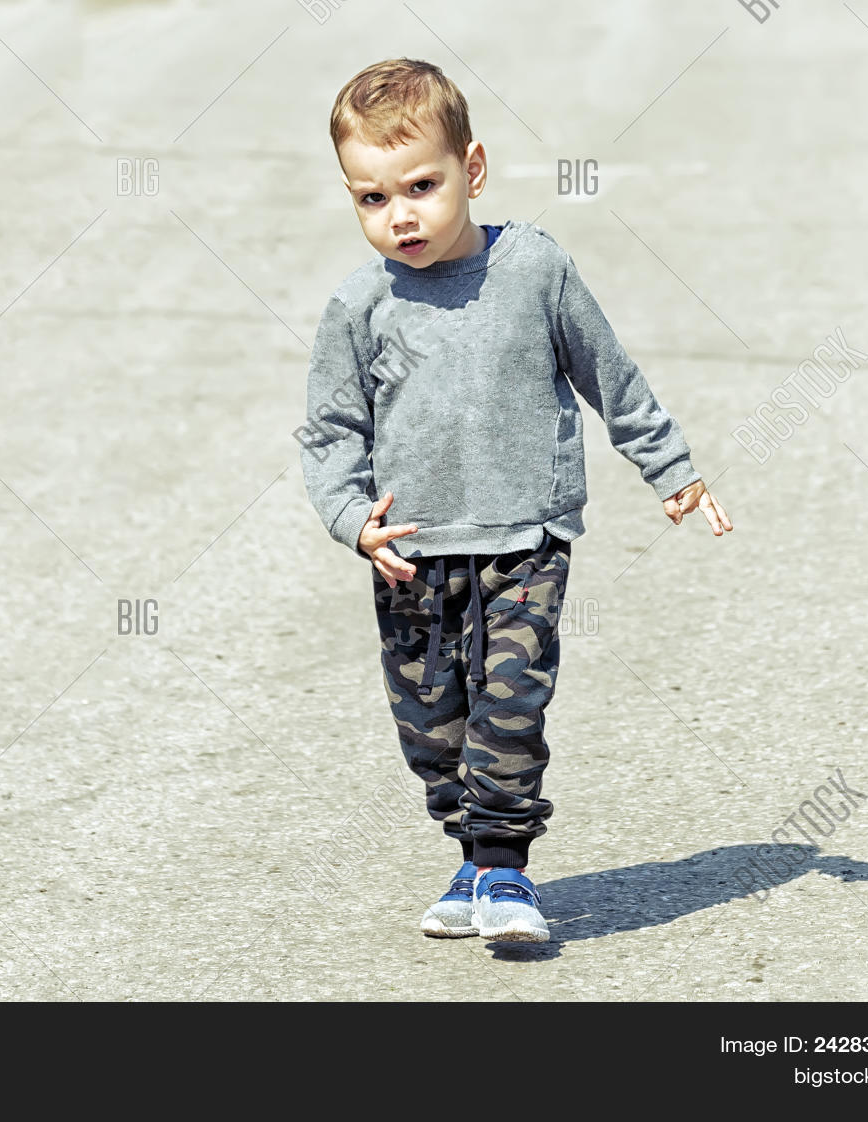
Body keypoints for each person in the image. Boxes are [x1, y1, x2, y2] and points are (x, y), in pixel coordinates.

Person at [297, 58, 732, 942]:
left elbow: (609, 376)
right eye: (372, 199)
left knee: (508, 708)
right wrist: (351, 521)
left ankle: (505, 871)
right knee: (433, 727)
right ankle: (469, 857)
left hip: (524, 540)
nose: (401, 215)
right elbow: (331, 431)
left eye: (422, 185)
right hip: (409, 555)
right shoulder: (358, 306)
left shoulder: (533, 270)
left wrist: (671, 467)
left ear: (474, 169)